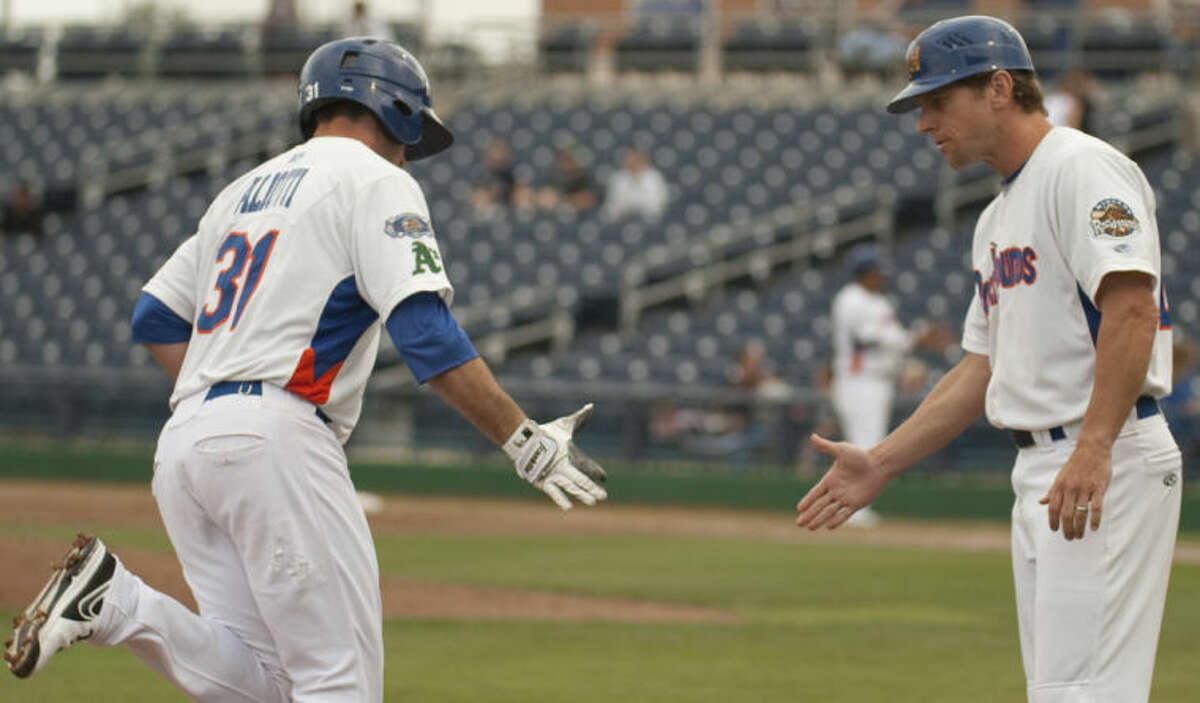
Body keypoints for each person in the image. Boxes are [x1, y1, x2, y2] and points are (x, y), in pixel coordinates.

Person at [4, 38, 607, 700]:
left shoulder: (240, 191)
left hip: (183, 445)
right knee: (338, 683)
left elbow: (152, 315)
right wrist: (525, 441)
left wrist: (217, 402)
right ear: (395, 108)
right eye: (411, 132)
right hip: (279, 433)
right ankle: (118, 600)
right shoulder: (378, 179)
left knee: (264, 683)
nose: (410, 152)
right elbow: (424, 333)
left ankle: (118, 601)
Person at [797, 17, 1180, 703]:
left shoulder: (1082, 168)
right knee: (1062, 691)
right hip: (1048, 461)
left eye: (938, 101)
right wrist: (882, 459)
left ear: (1000, 87)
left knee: (1083, 694)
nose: (924, 122)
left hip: (1102, 453)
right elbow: (980, 367)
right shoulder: (996, 215)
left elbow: (1132, 311)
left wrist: (1093, 445)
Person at [828, 244, 948, 526]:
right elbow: (865, 338)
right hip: (858, 380)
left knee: (870, 442)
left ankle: (853, 506)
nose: (881, 275)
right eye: (876, 270)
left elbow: (896, 341)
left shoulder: (880, 302)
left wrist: (913, 343)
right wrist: (913, 339)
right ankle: (853, 509)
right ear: (864, 272)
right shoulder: (850, 299)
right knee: (863, 444)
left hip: (878, 381)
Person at [604, 147, 668, 221]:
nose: (635, 163)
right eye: (632, 160)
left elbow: (659, 202)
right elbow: (613, 201)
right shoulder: (618, 178)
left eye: (638, 160)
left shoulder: (655, 177)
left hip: (649, 218)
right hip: (622, 218)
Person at [537, 146, 598, 212]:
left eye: (569, 159)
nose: (566, 164)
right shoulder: (553, 178)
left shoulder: (584, 178)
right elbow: (544, 198)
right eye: (563, 159)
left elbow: (588, 199)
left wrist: (564, 200)